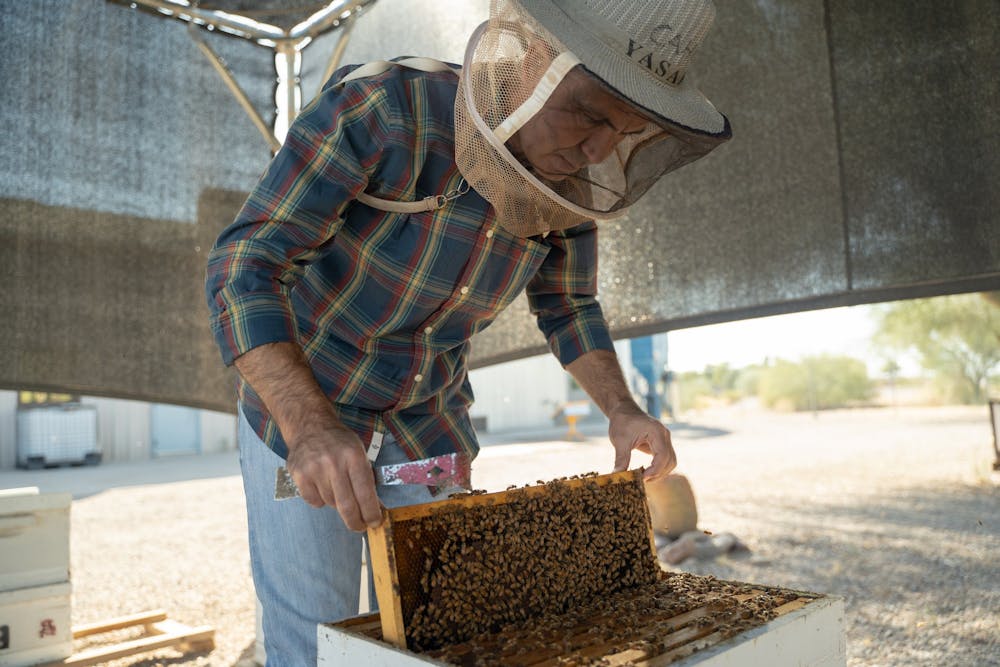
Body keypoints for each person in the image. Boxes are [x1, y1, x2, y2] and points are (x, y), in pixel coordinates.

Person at [205, 0, 731, 663]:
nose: (599, 149)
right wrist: (308, 426)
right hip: (305, 412)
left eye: (623, 132)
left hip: (429, 425)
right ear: (536, 58)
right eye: (593, 112)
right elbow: (244, 266)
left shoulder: (566, 187)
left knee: (442, 634)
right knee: (315, 641)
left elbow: (568, 305)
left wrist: (622, 410)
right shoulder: (384, 111)